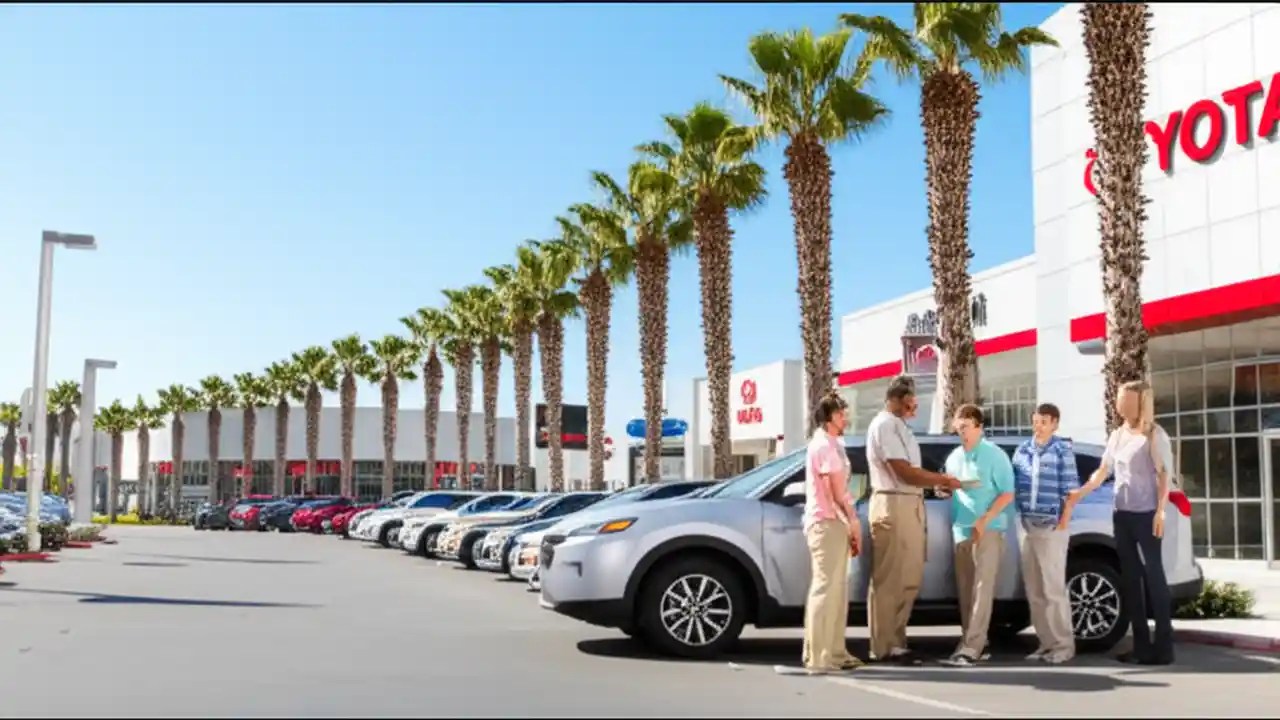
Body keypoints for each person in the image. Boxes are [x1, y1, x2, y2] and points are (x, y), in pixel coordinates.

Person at [1063, 379, 1176, 665]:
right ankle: (1140, 647)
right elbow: (1103, 471)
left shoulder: (1153, 435)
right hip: (1122, 513)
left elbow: (1164, 475)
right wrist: (1080, 493)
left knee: (1154, 576)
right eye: (1119, 398)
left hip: (1147, 514)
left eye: (1126, 399)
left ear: (1141, 402)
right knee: (1130, 577)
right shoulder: (1117, 436)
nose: (1120, 403)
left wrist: (1161, 511)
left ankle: (1163, 647)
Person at [865, 375, 962, 665]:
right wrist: (943, 479)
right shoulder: (883, 425)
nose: (913, 405)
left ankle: (897, 642)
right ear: (896, 399)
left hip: (910, 503)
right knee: (890, 579)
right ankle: (883, 645)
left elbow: (914, 475)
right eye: (910, 401)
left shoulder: (901, 427)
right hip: (893, 503)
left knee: (908, 578)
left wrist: (934, 485)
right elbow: (904, 472)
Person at [939, 404, 1015, 667]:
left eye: (966, 427)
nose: (962, 433)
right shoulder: (954, 457)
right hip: (961, 529)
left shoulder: (995, 455)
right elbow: (952, 487)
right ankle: (969, 641)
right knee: (966, 591)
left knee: (983, 589)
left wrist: (985, 518)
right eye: (958, 428)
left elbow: (1007, 493)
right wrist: (944, 490)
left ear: (979, 427)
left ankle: (973, 646)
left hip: (989, 530)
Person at [797, 393, 863, 675]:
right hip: (826, 523)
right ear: (828, 418)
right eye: (840, 414)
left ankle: (835, 652)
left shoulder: (833, 445)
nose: (844, 417)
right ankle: (818, 657)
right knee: (825, 587)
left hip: (833, 523)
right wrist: (852, 522)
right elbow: (833, 491)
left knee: (837, 588)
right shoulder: (823, 446)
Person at [1012, 403, 1078, 664]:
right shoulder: (1023, 450)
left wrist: (1063, 522)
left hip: (1052, 527)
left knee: (1053, 589)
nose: (1038, 425)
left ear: (1055, 424)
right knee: (1035, 590)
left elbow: (1071, 491)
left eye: (1044, 421)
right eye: (1036, 420)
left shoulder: (1063, 451)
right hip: (1027, 526)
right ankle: (1045, 643)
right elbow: (1015, 485)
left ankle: (1063, 645)